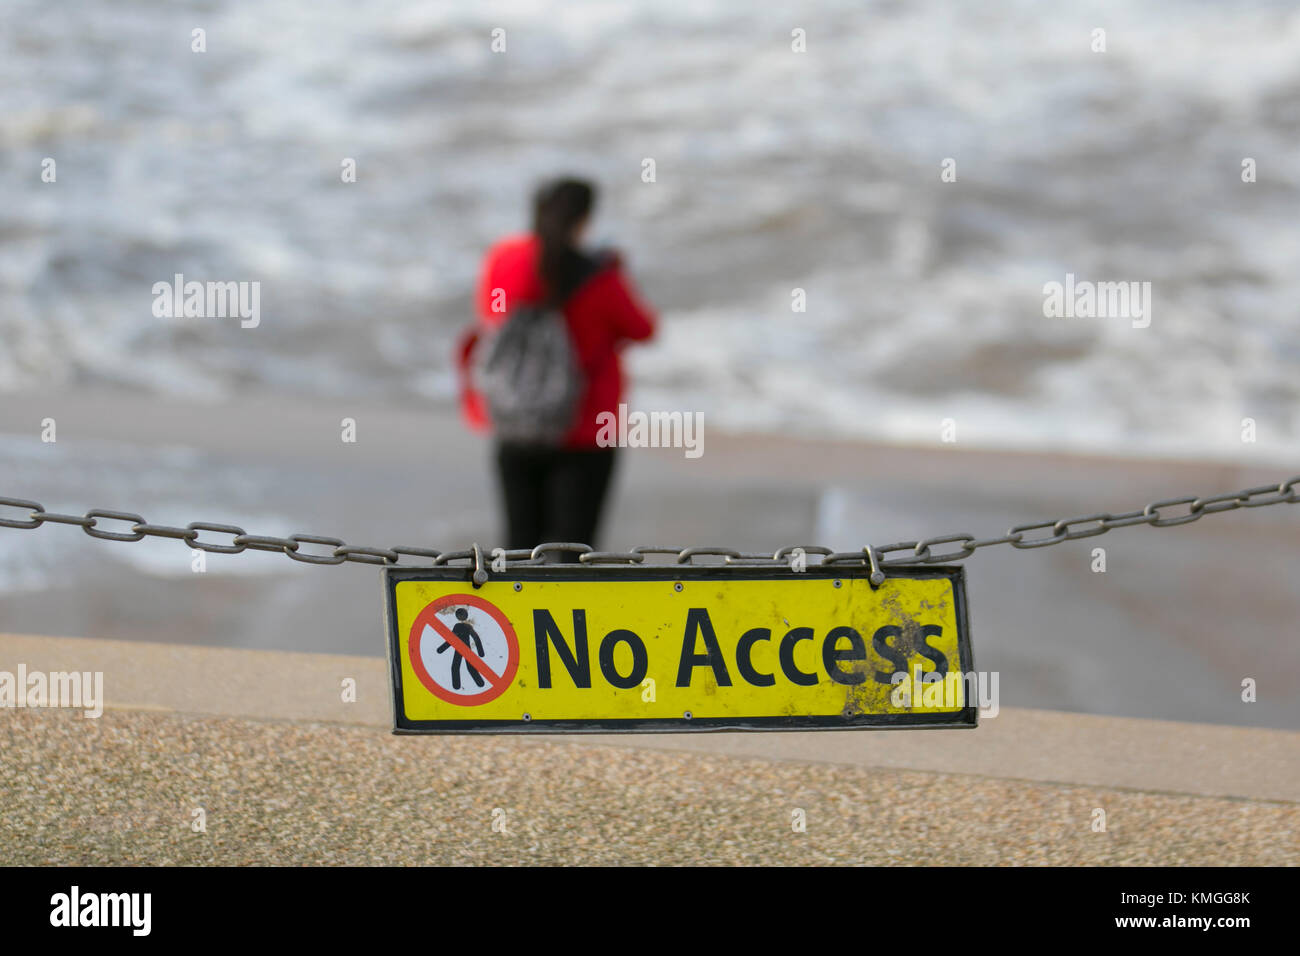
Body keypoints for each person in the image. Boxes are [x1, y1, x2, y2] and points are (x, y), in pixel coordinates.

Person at [457, 177, 656, 557]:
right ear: (584, 220)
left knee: (517, 549)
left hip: (515, 425)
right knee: (573, 552)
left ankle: (516, 616)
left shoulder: (504, 259)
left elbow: (488, 314)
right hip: (585, 430)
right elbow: (642, 328)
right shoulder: (600, 274)